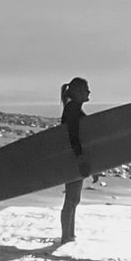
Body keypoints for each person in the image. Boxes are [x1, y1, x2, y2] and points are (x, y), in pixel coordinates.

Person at [55, 76, 91, 244]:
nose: (88, 92)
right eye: (85, 89)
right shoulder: (72, 109)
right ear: (77, 92)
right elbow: (73, 136)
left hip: (75, 158)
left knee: (74, 199)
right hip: (73, 159)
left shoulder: (74, 108)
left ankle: (70, 235)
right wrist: (80, 157)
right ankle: (66, 237)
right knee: (71, 199)